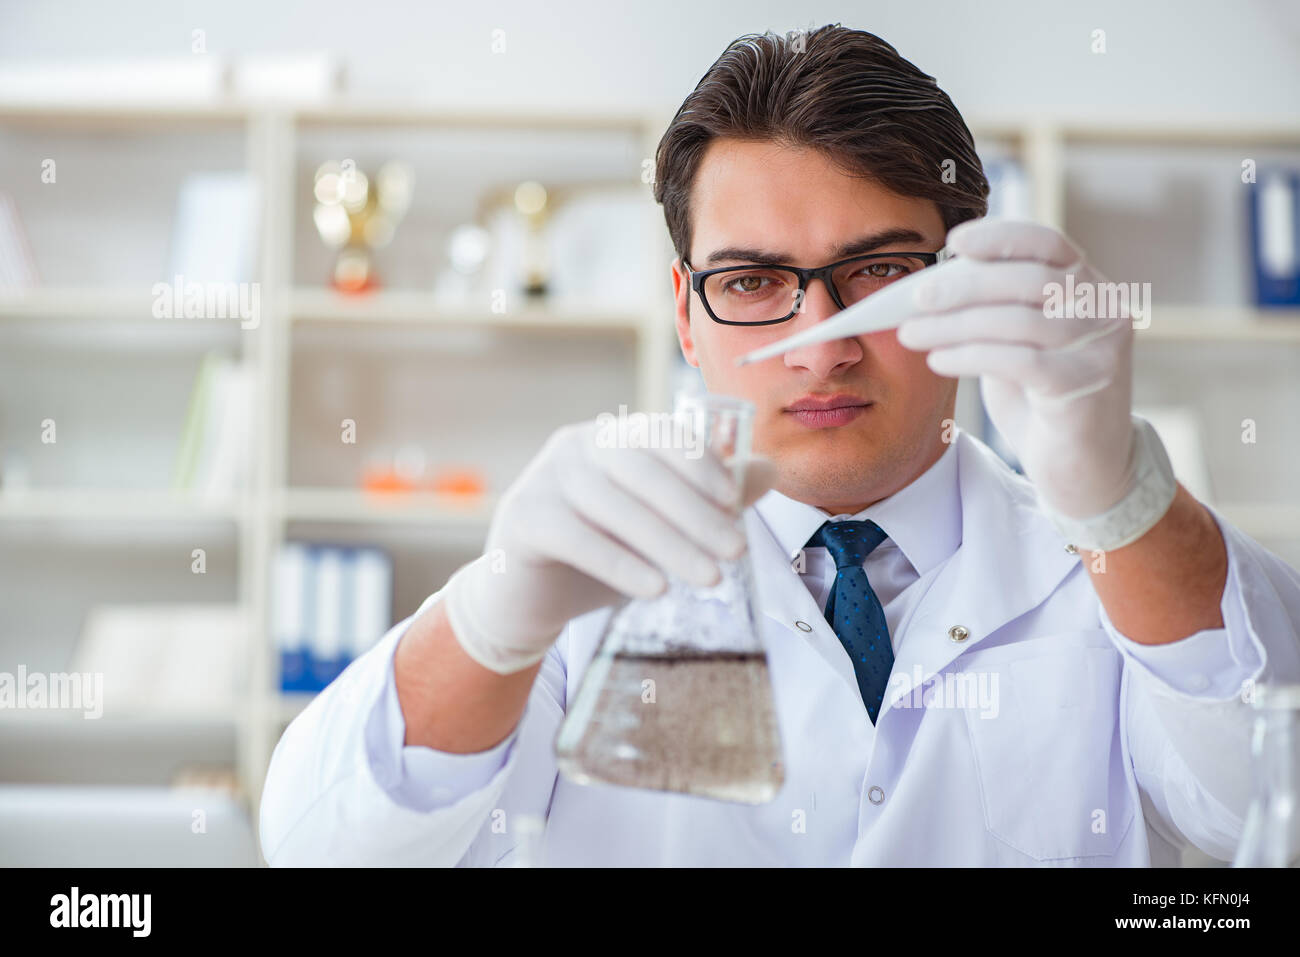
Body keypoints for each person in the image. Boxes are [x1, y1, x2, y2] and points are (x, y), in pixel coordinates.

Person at [259, 24, 1300, 866]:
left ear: (965, 275)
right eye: (752, 281)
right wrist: (491, 617)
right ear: (685, 314)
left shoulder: (1108, 575)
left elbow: (1257, 803)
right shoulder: (580, 590)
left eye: (880, 270)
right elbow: (325, 848)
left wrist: (1120, 502)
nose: (818, 347)